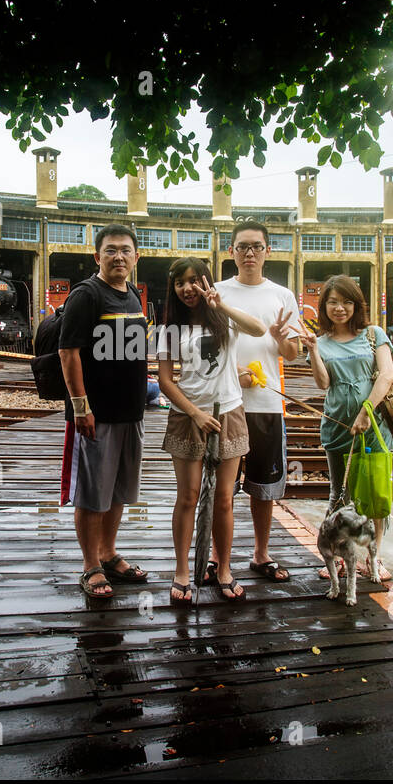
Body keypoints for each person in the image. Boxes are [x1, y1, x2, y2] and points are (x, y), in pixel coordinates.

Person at [156, 258, 267, 604]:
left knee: (223, 500)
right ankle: (182, 571)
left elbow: (259, 330)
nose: (187, 289)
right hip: (188, 417)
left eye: (193, 281)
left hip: (230, 412)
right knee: (188, 497)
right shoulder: (170, 329)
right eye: (179, 283)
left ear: (206, 282)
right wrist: (195, 413)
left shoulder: (224, 320)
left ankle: (224, 569)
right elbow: (164, 380)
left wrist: (223, 306)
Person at [58, 224, 151, 599]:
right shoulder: (86, 295)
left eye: (125, 251)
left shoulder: (131, 294)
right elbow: (68, 352)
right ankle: (90, 565)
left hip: (131, 411)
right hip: (95, 414)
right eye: (110, 251)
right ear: (97, 257)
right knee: (93, 492)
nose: (118, 257)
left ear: (136, 258)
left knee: (117, 490)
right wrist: (81, 407)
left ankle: (109, 553)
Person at [212, 221, 303, 584]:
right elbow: (207, 348)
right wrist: (232, 371)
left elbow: (293, 354)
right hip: (225, 402)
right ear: (231, 251)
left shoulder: (282, 296)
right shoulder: (217, 292)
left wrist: (282, 340)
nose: (249, 253)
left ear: (268, 251)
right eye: (242, 246)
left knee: (263, 487)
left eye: (257, 246)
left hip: (267, 405)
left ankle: (261, 553)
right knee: (223, 489)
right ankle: (220, 560)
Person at [301, 274, 393, 578]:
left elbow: (386, 375)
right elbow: (323, 383)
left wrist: (367, 410)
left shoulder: (373, 334)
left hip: (373, 427)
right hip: (337, 428)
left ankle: (374, 557)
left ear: (356, 305)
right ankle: (338, 555)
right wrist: (314, 350)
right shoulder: (323, 342)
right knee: (339, 496)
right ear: (324, 306)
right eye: (332, 302)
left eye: (346, 301)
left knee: (373, 494)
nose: (339, 308)